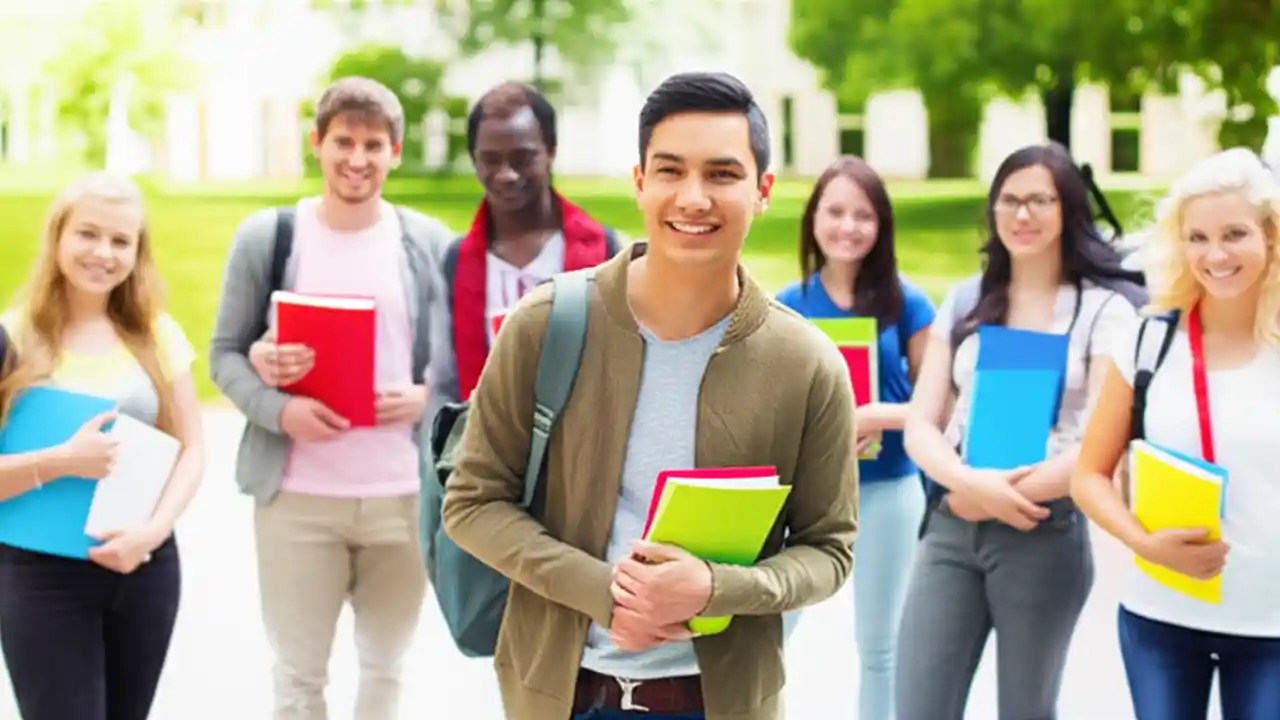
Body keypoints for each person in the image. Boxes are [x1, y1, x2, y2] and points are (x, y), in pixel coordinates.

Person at [441, 71, 859, 720]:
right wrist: (603, 592)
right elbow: (471, 504)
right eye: (670, 170)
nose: (692, 198)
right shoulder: (545, 325)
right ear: (640, 181)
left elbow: (830, 550)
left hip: (720, 702)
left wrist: (717, 588)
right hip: (561, 695)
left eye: (722, 174)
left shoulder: (807, 364)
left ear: (763, 190)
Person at [208, 76, 456, 720]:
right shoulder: (271, 238)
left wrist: (426, 397)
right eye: (343, 141)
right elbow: (224, 355)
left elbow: (471, 372)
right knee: (298, 678)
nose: (357, 158)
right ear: (317, 143)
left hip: (403, 500)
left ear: (395, 152)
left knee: (385, 670)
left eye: (374, 144)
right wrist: (279, 408)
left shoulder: (429, 244)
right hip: (297, 502)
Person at [898, 142, 1145, 720]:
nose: (1023, 214)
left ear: (1069, 212)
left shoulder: (1105, 311)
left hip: (1045, 530)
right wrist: (966, 484)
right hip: (950, 526)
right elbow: (920, 422)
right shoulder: (965, 299)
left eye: (1040, 200)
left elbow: (1105, 440)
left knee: (1026, 710)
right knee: (917, 706)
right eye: (1009, 200)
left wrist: (1007, 494)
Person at [1071, 148, 1280, 719]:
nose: (1215, 255)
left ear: (1269, 235)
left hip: (1272, 623)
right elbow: (1088, 475)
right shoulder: (1147, 341)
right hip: (1161, 615)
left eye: (1235, 234)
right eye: (1198, 237)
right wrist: (1145, 544)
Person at [0, 172, 204, 719]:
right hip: (41, 578)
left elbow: (192, 450)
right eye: (87, 234)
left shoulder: (157, 335)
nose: (103, 253)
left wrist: (151, 534)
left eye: (121, 241)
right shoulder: (12, 338)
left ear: (138, 252)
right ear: (58, 237)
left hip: (143, 567)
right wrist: (61, 462)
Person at [775, 155, 934, 719]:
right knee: (770, 633)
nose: (848, 226)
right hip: (808, 496)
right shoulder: (787, 307)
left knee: (881, 645)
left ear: (881, 224)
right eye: (835, 211)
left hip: (889, 490)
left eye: (862, 215)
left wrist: (876, 418)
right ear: (814, 219)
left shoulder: (909, 304)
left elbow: (940, 405)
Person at [446, 80, 624, 402]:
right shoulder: (455, 262)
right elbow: (444, 379)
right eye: (490, 159)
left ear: (551, 151)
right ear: (474, 159)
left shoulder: (606, 253)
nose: (507, 175)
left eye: (522, 158)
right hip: (482, 443)